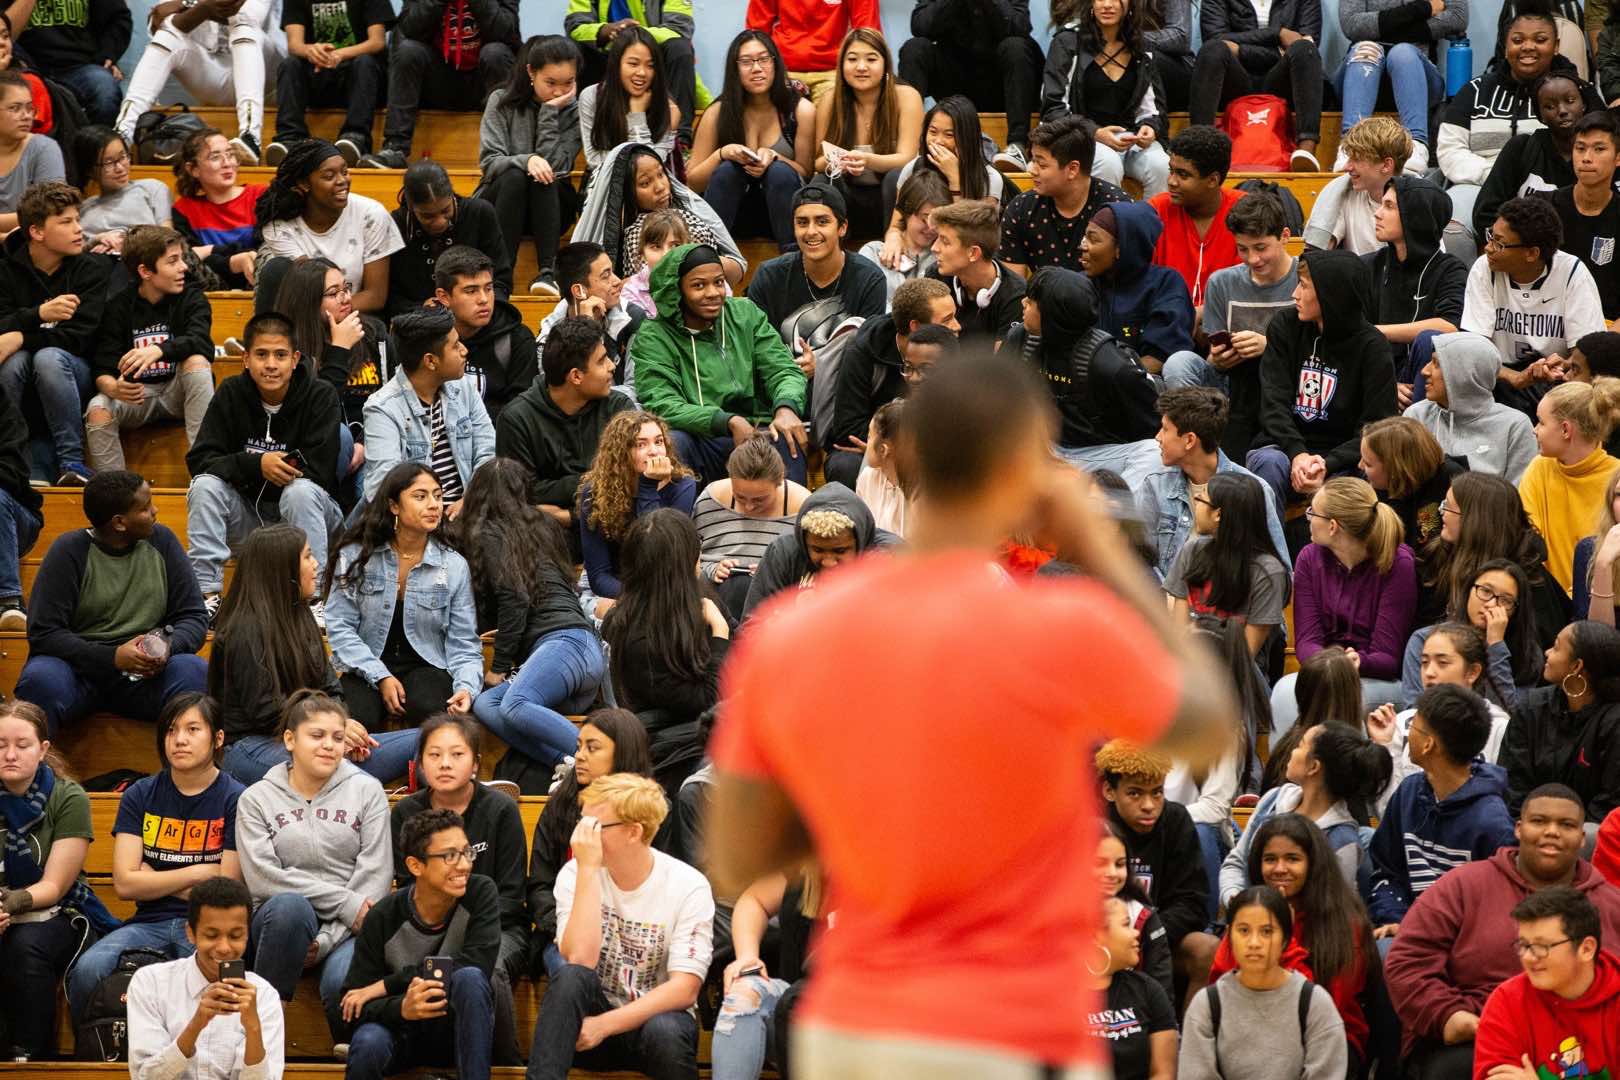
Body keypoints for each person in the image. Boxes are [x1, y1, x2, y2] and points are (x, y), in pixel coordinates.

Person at [707, 349, 1236, 1077]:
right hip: (1014, 1027)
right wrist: (1102, 549)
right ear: (1029, 463)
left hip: (857, 1027)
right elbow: (1207, 718)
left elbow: (738, 856)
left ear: (903, 456)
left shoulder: (796, 632)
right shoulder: (1063, 627)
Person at [1386, 784, 1620, 1080]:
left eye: (1566, 825)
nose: (1552, 831)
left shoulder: (1611, 903)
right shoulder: (1463, 885)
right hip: (1472, 1032)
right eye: (1539, 821)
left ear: (1582, 838)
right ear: (1519, 829)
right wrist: (1447, 1015)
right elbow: (1407, 960)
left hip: (1585, 1041)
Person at [64, 693, 246, 1025]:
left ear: (218, 738)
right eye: (172, 730)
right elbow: (125, 884)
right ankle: (99, 1060)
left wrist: (152, 878)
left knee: (226, 979)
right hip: (149, 923)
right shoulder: (140, 794)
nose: (179, 740)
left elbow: (227, 889)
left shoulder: (237, 798)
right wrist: (199, 872)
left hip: (211, 926)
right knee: (88, 970)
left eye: (193, 729)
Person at [526, 772, 715, 1079]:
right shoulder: (576, 873)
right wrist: (588, 869)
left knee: (665, 1029)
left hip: (653, 1022)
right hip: (590, 1023)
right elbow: (579, 961)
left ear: (633, 832)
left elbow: (685, 989)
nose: (581, 835)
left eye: (595, 826)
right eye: (582, 822)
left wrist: (605, 1025)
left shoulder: (688, 886)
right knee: (571, 977)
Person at [238, 689, 392, 1041]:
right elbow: (264, 880)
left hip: (349, 930)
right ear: (290, 740)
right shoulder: (256, 799)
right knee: (290, 908)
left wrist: (324, 941)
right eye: (317, 736)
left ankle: (346, 1056)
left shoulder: (368, 791)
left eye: (338, 738)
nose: (329, 746)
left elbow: (374, 879)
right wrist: (342, 902)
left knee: (340, 983)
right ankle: (260, 1034)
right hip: (280, 926)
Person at [212, 523, 416, 786]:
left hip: (311, 736)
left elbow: (332, 688)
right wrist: (328, 734)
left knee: (430, 740)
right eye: (307, 556)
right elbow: (267, 711)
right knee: (355, 784)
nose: (316, 564)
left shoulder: (301, 614)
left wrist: (338, 728)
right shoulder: (244, 629)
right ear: (282, 569)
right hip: (251, 746)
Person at [19, 469, 207, 736]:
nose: (155, 511)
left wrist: (166, 645)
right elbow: (44, 633)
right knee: (40, 679)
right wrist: (112, 657)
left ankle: (182, 773)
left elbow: (193, 616)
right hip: (78, 672)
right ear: (119, 522)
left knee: (194, 672)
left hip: (145, 676)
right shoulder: (68, 551)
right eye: (144, 508)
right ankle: (33, 773)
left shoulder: (162, 541)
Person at [186, 312, 343, 615]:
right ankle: (206, 597)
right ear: (245, 358)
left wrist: (279, 471)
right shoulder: (231, 392)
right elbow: (200, 460)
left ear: (295, 359)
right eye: (261, 354)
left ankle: (314, 601)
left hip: (310, 519)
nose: (271, 364)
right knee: (204, 486)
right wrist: (256, 464)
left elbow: (322, 471)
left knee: (299, 492)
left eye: (280, 355)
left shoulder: (319, 395)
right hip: (251, 521)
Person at [388, 713, 529, 1045]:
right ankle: (405, 1051)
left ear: (476, 763)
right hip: (428, 930)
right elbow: (406, 886)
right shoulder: (407, 812)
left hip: (500, 928)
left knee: (484, 971)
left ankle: (503, 1063)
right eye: (434, 755)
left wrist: (465, 929)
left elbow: (511, 895)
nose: (445, 764)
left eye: (457, 754)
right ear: (420, 763)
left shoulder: (500, 810)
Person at [460, 459, 605, 767]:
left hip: (564, 643)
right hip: (581, 656)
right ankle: (565, 763)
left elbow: (515, 597)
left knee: (514, 704)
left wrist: (498, 666)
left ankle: (608, 766)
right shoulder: (543, 524)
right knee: (488, 704)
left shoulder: (488, 533)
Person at [341, 807, 498, 1080]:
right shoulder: (383, 916)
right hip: (401, 1032)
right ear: (416, 865)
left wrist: (386, 986)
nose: (464, 865)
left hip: (457, 1029)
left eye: (466, 852)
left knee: (470, 978)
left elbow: (477, 964)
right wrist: (401, 1008)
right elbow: (355, 1002)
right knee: (367, 1042)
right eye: (450, 856)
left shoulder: (480, 893)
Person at [631, 243, 808, 486]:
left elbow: (782, 369)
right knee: (674, 442)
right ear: (676, 290)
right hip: (702, 437)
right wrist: (726, 421)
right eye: (698, 285)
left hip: (758, 430)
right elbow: (662, 402)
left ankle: (788, 521)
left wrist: (786, 407)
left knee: (787, 435)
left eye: (719, 282)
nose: (713, 292)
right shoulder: (655, 335)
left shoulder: (744, 313)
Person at [0, 699, 118, 1059]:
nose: (10, 754)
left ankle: (32, 1054)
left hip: (59, 912)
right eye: (0, 745)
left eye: (22, 745)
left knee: (25, 944)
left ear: (43, 749)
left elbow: (55, 885)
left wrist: (8, 905)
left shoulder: (67, 797)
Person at [324, 462, 483, 729]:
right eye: (420, 497)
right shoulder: (355, 555)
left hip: (428, 666)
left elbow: (464, 643)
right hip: (366, 664)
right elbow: (339, 627)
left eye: (438, 496)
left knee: (431, 710)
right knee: (353, 718)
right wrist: (380, 676)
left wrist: (466, 688)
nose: (434, 505)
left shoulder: (453, 565)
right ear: (394, 506)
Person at [1437, 7, 1603, 255]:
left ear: (1556, 45)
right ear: (1505, 46)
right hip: (1476, 184)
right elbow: (1450, 149)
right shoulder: (1474, 90)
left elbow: (1600, 143)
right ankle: (1469, 290)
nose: (1528, 47)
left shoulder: (1579, 94)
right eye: (1517, 40)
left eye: (1540, 39)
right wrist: (1496, 176)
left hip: (1549, 188)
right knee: (1451, 229)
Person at [1217, 814, 1377, 1066]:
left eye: (1292, 859)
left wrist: (1284, 939)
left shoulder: (1346, 923)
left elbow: (1321, 1012)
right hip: (1251, 1035)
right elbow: (1222, 988)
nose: (1279, 869)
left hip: (1327, 1043)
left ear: (1313, 864)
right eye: (1270, 859)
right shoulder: (1249, 915)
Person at [1246, 249, 1397, 510]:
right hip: (1282, 446)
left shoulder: (1373, 346)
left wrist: (1329, 462)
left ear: (1332, 296)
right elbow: (1273, 405)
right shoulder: (1284, 326)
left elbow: (1376, 426)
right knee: (1269, 466)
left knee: (1356, 483)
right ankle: (1268, 551)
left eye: (1303, 286)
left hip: (1345, 455)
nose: (1294, 294)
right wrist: (1298, 454)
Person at [1271, 477, 1417, 736]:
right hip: (1327, 671)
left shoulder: (1397, 562)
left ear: (1333, 526)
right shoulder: (1309, 558)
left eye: (1312, 512)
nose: (1308, 518)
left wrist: (1358, 661)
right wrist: (1334, 665)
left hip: (1378, 678)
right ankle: (1288, 774)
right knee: (1284, 693)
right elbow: (1306, 641)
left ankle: (1348, 773)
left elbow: (1388, 656)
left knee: (1344, 701)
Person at [1368, 683, 1518, 934]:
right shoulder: (1408, 792)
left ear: (1428, 745)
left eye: (1413, 725)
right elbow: (1386, 872)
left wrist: (1418, 932)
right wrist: (1396, 920)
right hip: (1404, 928)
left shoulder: (1493, 824)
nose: (1407, 733)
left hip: (1462, 940)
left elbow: (1497, 911)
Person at [1163, 192, 1300, 457]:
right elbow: (1214, 358)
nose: (1252, 259)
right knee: (1179, 362)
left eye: (1261, 248)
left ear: (1284, 236)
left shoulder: (1304, 278)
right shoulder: (1221, 282)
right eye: (1242, 249)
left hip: (1286, 380)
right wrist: (1218, 359)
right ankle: (1196, 442)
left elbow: (1319, 350)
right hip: (1232, 382)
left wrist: (1269, 345)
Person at [1003, 268, 1161, 489]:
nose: (1023, 303)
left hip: (1095, 456)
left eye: (1031, 301)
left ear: (1052, 314)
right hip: (1040, 450)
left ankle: (1117, 520)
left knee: (1153, 452)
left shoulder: (1112, 365)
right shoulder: (1019, 340)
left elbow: (1151, 427)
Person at [0, 179, 109, 485]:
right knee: (14, 362)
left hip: (75, 373)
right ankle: (12, 456)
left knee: (47, 358)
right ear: (36, 232)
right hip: (24, 379)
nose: (78, 229)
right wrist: (38, 315)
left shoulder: (91, 269)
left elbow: (81, 337)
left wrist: (23, 333)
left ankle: (71, 462)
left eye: (78, 220)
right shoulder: (6, 272)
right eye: (66, 222)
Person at [1178, 887, 1349, 1080]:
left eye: (1267, 931)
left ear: (1285, 939)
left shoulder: (1315, 1003)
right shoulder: (1206, 1004)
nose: (1254, 943)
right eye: (1244, 930)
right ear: (1229, 936)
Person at [1096, 739, 1218, 1009]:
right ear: (1109, 791)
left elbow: (1193, 903)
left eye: (1157, 792)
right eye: (1135, 793)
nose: (1149, 805)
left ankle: (1188, 1039)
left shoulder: (1176, 820)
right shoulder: (1093, 823)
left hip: (1159, 935)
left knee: (1206, 948)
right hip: (1097, 936)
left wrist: (1147, 932)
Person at [526, 710, 654, 966]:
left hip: (634, 935)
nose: (579, 756)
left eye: (592, 748)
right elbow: (540, 885)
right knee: (572, 968)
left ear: (622, 754)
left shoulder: (653, 812)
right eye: (578, 747)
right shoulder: (560, 805)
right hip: (566, 932)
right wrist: (560, 925)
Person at [124, 876, 285, 1080]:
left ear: (247, 936)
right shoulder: (150, 983)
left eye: (235, 936)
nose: (224, 948)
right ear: (190, 933)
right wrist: (197, 1024)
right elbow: (144, 1077)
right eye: (211, 935)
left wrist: (253, 1028)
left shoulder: (264, 994)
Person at [85, 225, 215, 473]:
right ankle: (115, 491)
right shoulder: (118, 307)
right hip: (137, 397)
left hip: (179, 392)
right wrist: (114, 387)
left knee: (197, 361)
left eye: (181, 259)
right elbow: (102, 366)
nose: (184, 267)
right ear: (145, 271)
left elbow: (201, 342)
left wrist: (159, 350)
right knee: (97, 409)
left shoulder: (192, 297)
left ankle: (205, 470)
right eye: (173, 261)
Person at [1464, 198, 1607, 417]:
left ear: (1532, 253)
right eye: (1490, 236)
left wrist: (1567, 364)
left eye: (1499, 243)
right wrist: (1516, 378)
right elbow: (1473, 352)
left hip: (1555, 384)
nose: (1488, 248)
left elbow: (1587, 355)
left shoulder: (1572, 272)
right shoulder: (1484, 268)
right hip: (1498, 378)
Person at [1222, 722, 1389, 903]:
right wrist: (1234, 895)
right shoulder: (1273, 800)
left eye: (1300, 745)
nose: (1292, 751)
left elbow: (1330, 911)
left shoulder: (1341, 839)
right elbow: (1236, 863)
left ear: (1313, 767)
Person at [1137, 385, 1288, 583]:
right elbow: (1137, 562)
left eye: (1165, 429)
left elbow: (1278, 574)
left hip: (1228, 605)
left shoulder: (1254, 490)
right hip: (1163, 606)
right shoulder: (1154, 484)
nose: (1158, 437)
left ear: (1189, 440)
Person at [821, 276, 956, 488]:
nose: (957, 326)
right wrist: (889, 446)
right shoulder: (864, 348)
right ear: (916, 327)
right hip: (873, 443)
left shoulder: (949, 347)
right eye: (947, 320)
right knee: (844, 466)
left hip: (929, 442)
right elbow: (849, 427)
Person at [687, 30, 815, 253]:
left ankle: (794, 263)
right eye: (746, 62)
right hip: (732, 214)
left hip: (784, 212)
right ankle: (708, 259)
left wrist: (777, 157)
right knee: (728, 169)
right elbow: (692, 183)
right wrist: (722, 153)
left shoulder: (800, 110)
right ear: (734, 68)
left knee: (779, 171)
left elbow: (806, 173)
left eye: (764, 59)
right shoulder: (718, 112)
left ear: (775, 63)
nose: (756, 68)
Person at [112, 0, 285, 163]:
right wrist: (202, 6)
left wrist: (188, 5)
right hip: (216, 76)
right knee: (167, 35)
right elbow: (161, 21)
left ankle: (250, 137)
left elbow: (242, 14)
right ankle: (123, 134)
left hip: (266, 80)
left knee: (244, 28)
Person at [361, 305, 497, 511]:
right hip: (417, 521)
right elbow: (383, 487)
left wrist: (470, 500)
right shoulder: (383, 409)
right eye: (455, 345)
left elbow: (488, 452)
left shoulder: (465, 387)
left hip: (470, 511)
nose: (464, 350)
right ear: (430, 361)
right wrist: (434, 509)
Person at [603, 509, 731, 727]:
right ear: (681, 565)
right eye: (695, 546)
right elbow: (706, 702)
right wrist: (720, 632)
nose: (699, 554)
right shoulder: (637, 637)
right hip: (671, 742)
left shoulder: (698, 593)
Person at [1474, 886, 1620, 1078]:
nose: (1528, 957)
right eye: (1524, 945)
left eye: (1542, 946)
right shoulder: (1507, 1001)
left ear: (1586, 949)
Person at [497, 317, 631, 524]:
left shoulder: (619, 409)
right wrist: (593, 481)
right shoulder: (517, 419)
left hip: (609, 526)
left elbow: (628, 484)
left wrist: (568, 516)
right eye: (602, 360)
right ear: (576, 376)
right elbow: (521, 496)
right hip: (542, 531)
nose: (612, 366)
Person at [358, 0, 518, 170]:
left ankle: (505, 150)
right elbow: (409, 29)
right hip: (439, 81)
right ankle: (395, 149)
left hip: (482, 84)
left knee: (496, 53)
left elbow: (506, 32)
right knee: (408, 51)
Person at [477, 35, 580, 298]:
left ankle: (548, 271)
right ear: (531, 72)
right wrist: (526, 160)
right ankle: (501, 277)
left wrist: (550, 112)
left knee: (545, 175)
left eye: (568, 83)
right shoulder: (501, 100)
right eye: (551, 83)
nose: (559, 91)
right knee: (515, 175)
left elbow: (558, 167)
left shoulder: (573, 112)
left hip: (551, 207)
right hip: (503, 201)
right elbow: (489, 163)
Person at [257, 141, 404, 315]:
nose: (342, 180)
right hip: (303, 315)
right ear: (304, 184)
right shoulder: (279, 226)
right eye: (329, 176)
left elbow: (375, 297)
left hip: (354, 316)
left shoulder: (371, 215)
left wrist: (338, 311)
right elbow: (311, 289)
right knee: (274, 267)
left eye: (344, 171)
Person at [1039, 0, 1169, 197]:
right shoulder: (1067, 41)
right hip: (1079, 136)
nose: (1108, 4)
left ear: (1131, 4)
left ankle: (1151, 226)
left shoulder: (1141, 46)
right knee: (1108, 162)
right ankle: (1103, 227)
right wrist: (1095, 132)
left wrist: (1149, 127)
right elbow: (1053, 108)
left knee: (1161, 165)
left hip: (1128, 138)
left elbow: (1153, 108)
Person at [896, 0, 1042, 174]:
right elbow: (921, 26)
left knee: (1017, 47)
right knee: (915, 48)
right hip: (954, 80)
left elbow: (1020, 27)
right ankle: (912, 145)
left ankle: (1017, 145)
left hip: (999, 85)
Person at [1424, 471, 1567, 643]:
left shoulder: (1525, 583)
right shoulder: (1441, 556)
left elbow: (1533, 655)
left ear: (1473, 521)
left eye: (1447, 507)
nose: (1441, 512)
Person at [573, 144, 747, 284]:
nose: (660, 186)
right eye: (645, 183)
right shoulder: (635, 233)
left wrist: (706, 263)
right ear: (626, 192)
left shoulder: (693, 219)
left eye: (661, 174)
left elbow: (737, 271)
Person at [812, 29, 924, 243]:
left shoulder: (906, 96)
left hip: (891, 199)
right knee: (823, 179)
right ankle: (833, 254)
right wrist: (837, 161)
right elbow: (817, 163)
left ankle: (895, 247)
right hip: (847, 198)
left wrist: (867, 160)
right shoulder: (829, 100)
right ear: (841, 65)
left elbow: (908, 158)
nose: (861, 67)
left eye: (871, 59)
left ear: (885, 64)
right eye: (852, 59)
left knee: (897, 175)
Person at [1504, 620, 1620, 823]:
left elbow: (1610, 801)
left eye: (1556, 647)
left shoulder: (1614, 721)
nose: (1547, 652)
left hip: (1588, 837)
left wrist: (1568, 833)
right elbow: (1513, 780)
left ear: (1577, 666)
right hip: (1526, 829)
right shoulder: (1531, 706)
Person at [1187, 0, 1325, 171]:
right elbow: (1216, 39)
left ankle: (1306, 152)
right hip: (1235, 80)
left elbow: (1306, 42)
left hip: (1282, 81)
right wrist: (1277, 34)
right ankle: (1200, 149)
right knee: (1212, 50)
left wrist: (1240, 50)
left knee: (1305, 49)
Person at [1165, 472, 1291, 656]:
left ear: (1218, 514)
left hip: (1238, 675)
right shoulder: (1192, 551)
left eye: (1202, 498)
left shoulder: (1268, 573)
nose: (1195, 500)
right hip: (1190, 667)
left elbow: (1246, 655)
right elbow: (1178, 635)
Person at [578, 409, 698, 602]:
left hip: (667, 585)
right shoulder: (595, 493)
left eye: (659, 441)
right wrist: (639, 600)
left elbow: (658, 556)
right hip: (615, 590)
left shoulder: (681, 486)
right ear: (619, 453)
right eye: (641, 444)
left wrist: (648, 486)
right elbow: (599, 575)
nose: (654, 450)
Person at [1368, 177, 1469, 405]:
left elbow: (1449, 325)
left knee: (1429, 339)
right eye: (1381, 204)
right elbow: (1352, 334)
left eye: (1390, 206)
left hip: (1425, 377)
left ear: (1415, 216)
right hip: (1378, 378)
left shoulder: (1449, 269)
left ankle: (1422, 429)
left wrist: (1377, 331)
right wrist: (1383, 385)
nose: (1378, 213)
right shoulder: (1370, 265)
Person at [1335, 0, 1461, 178]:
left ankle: (1415, 145)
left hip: (1418, 78)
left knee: (1402, 52)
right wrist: (1422, 9)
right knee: (1367, 48)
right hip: (1361, 78)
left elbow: (1457, 17)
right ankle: (1351, 146)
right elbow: (1352, 25)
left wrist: (1386, 30)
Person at [744, 183, 886, 340]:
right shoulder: (769, 277)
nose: (811, 231)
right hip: (783, 364)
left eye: (822, 221)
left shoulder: (869, 279)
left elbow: (868, 352)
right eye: (802, 222)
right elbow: (758, 346)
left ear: (842, 228)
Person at [1399, 564, 1544, 716]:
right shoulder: (1425, 639)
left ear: (1516, 611)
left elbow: (1510, 716)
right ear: (1469, 591)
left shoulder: (1528, 653)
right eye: (1485, 591)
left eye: (1505, 600)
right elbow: (1413, 712)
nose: (1490, 604)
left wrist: (1495, 645)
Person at [692, 436, 810, 619]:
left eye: (759, 499)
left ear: (779, 482)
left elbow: (810, 571)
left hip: (775, 603)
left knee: (742, 586)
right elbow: (692, 560)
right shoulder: (710, 499)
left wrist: (771, 573)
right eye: (740, 497)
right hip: (714, 596)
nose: (749, 507)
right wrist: (712, 567)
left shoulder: (803, 507)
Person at [1519, 378, 1620, 592]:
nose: (1534, 430)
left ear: (1565, 430)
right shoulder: (1540, 467)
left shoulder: (1616, 478)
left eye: (1541, 422)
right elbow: (1526, 537)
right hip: (1545, 598)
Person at [740, 480, 894, 619]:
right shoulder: (783, 552)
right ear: (803, 541)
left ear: (860, 541)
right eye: (818, 550)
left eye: (840, 551)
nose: (828, 562)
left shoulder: (888, 557)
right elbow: (752, 628)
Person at [999, 116, 1129, 278]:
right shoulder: (1021, 208)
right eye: (1033, 161)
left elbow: (1129, 284)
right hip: (1041, 301)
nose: (1032, 170)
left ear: (1073, 169)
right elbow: (1013, 288)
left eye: (1042, 164)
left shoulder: (1118, 208)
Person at [1405, 332, 1539, 484]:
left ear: (1464, 372)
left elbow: (1518, 497)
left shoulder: (1515, 426)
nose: (1424, 371)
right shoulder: (1416, 416)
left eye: (1436, 364)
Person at [267, 0, 389, 165]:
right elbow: (294, 45)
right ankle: (289, 139)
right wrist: (312, 51)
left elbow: (377, 42)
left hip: (358, 81)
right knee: (290, 65)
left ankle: (356, 138)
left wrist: (338, 55)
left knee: (365, 62)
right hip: (318, 75)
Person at [563, 0, 697, 148]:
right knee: (573, 49)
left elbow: (679, 29)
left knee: (680, 47)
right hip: (607, 57)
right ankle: (579, 131)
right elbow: (575, 26)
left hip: (652, 60)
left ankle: (681, 141)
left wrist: (631, 36)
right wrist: (605, 30)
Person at [1080, 201, 1195, 374]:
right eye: (1084, 237)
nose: (1082, 246)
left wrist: (1114, 379)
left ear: (1121, 248)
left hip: (1146, 388)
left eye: (1093, 239)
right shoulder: (1080, 284)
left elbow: (1160, 357)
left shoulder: (1165, 284)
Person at [389, 159, 511, 316]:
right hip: (419, 321)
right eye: (428, 216)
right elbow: (391, 294)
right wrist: (419, 309)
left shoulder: (479, 213)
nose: (439, 222)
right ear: (411, 208)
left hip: (480, 317)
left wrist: (483, 308)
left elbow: (501, 278)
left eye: (446, 210)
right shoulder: (396, 225)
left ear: (452, 195)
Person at [1473, 71, 1585, 243]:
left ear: (1583, 104)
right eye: (1550, 106)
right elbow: (1485, 213)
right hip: (1526, 253)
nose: (1562, 111)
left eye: (1570, 101)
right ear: (1539, 115)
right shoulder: (1521, 149)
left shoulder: (1603, 152)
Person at [430, 245, 533, 425]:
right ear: (444, 297)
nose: (484, 299)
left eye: (488, 288)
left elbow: (523, 414)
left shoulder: (516, 339)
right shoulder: (426, 339)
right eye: (471, 291)